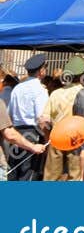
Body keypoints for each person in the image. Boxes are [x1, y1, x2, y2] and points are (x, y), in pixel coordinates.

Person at [5, 53, 52, 181]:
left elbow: (9, 114)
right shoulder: (40, 90)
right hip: (33, 134)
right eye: (45, 67)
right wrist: (47, 138)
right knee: (29, 174)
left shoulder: (17, 88)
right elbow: (42, 119)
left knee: (14, 172)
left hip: (16, 132)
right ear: (41, 71)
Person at [43, 56, 84, 181]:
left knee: (51, 177)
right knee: (75, 175)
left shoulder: (55, 93)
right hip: (77, 136)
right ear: (82, 75)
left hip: (56, 136)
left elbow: (44, 121)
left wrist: (48, 139)